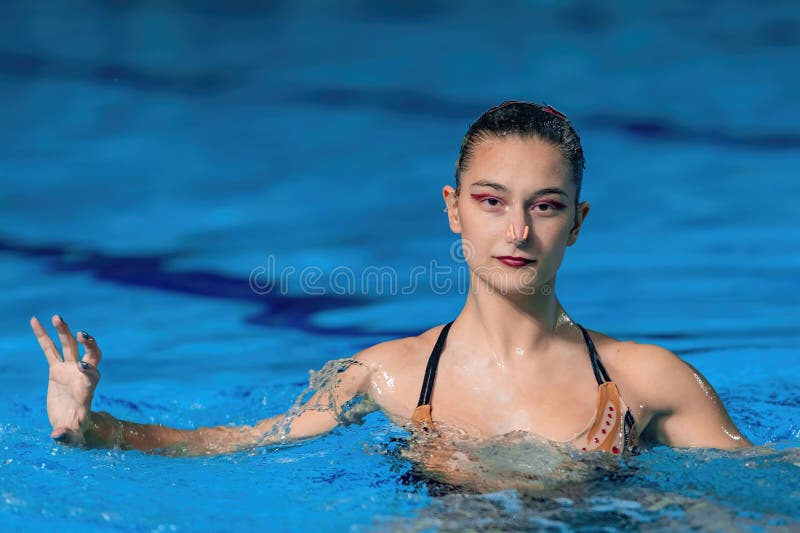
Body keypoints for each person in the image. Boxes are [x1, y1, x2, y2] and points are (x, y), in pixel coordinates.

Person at [31, 101, 751, 461]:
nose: (517, 232)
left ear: (578, 221)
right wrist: (91, 427)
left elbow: (758, 489)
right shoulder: (388, 375)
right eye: (491, 201)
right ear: (454, 211)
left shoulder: (646, 380)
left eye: (546, 206)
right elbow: (231, 443)